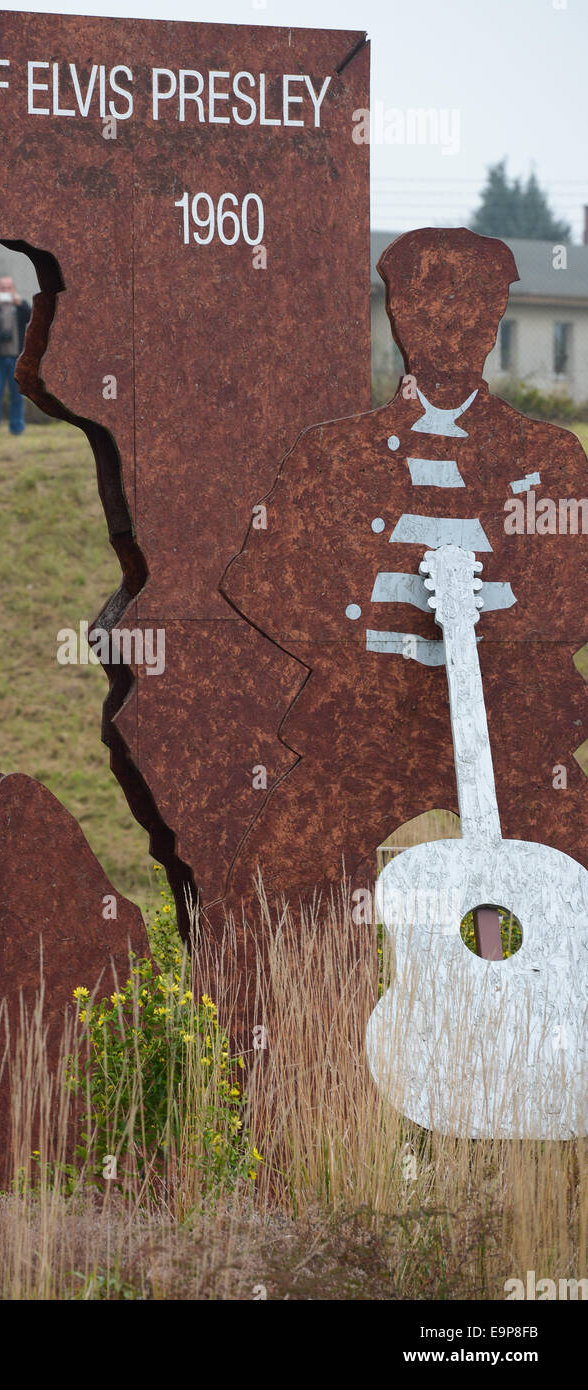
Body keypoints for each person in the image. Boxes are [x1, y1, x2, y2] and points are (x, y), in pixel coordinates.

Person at [217, 226, 588, 934]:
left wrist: (504, 622)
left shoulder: (549, 455)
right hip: (366, 726)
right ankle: (272, 1031)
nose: (453, 325)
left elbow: (577, 586)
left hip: (511, 730)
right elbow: (259, 578)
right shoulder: (335, 453)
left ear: (494, 319)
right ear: (400, 316)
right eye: (429, 306)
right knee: (273, 886)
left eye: (477, 307)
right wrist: (356, 648)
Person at [0, 276, 32, 435]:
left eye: (9, 288)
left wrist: (20, 303)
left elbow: (32, 316)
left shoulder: (20, 308)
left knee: (17, 397)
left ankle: (16, 429)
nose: (6, 291)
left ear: (13, 289)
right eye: (3, 288)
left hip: (17, 360)